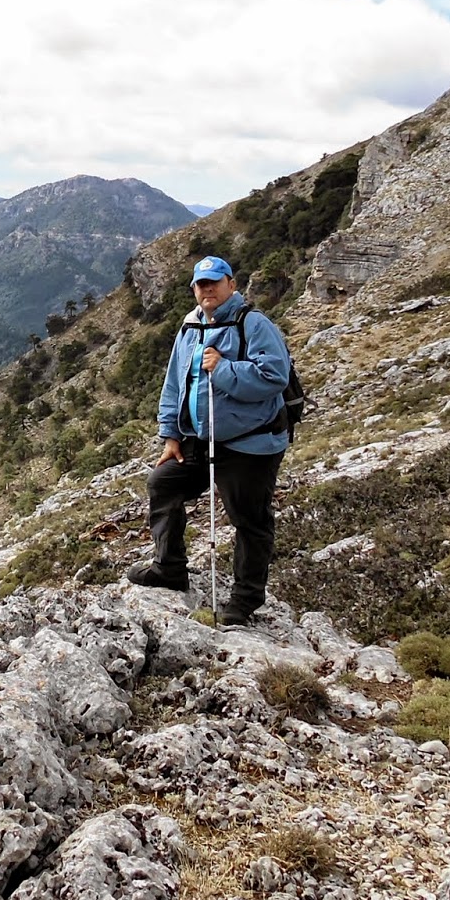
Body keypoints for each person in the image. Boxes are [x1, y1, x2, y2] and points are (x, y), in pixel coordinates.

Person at [127, 255, 290, 625]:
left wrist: (224, 368)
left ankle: (245, 600)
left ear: (231, 284)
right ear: (194, 290)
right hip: (201, 439)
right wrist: (170, 435)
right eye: (201, 284)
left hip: (250, 443)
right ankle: (169, 568)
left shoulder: (254, 323)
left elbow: (274, 377)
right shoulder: (190, 326)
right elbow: (174, 383)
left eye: (215, 282)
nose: (208, 289)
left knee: (249, 517)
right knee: (163, 484)